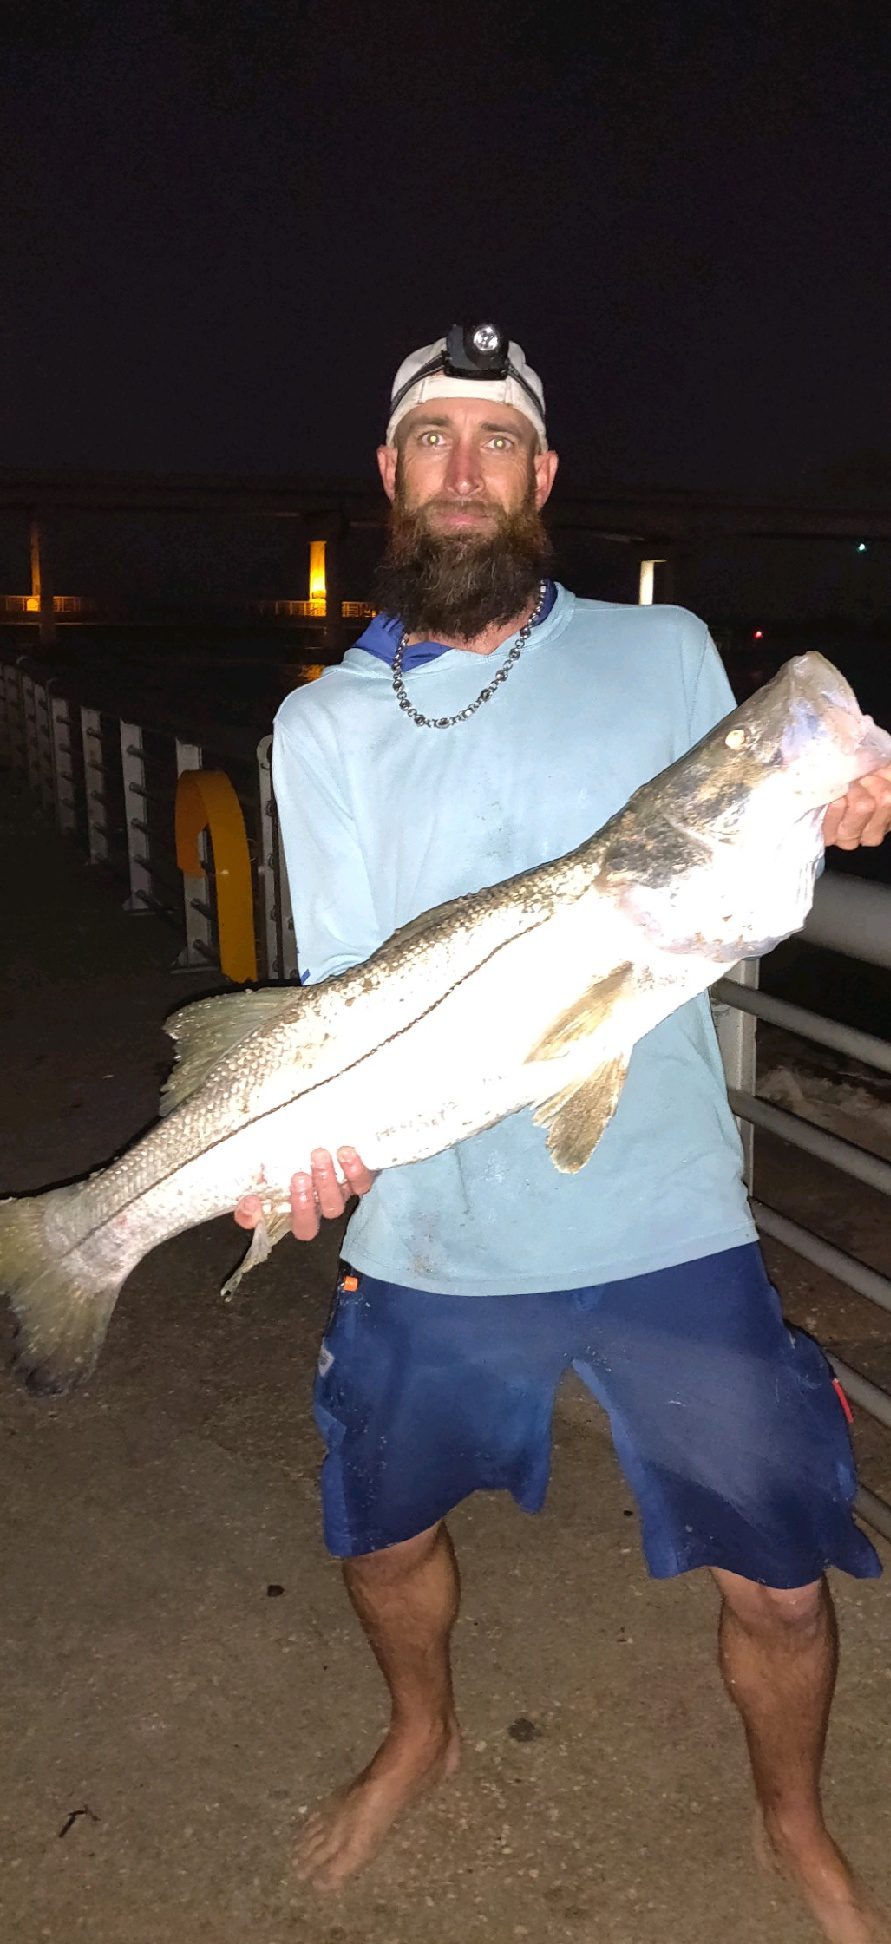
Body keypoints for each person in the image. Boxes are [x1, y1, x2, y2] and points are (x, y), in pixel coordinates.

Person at [236, 326, 891, 1941]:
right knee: (380, 1534)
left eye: (498, 442)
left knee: (785, 1580)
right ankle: (419, 1730)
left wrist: (834, 792)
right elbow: (342, 996)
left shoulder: (664, 649)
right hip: (429, 1229)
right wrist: (312, 1145)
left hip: (670, 1215)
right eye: (434, 441)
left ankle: (795, 1821)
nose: (465, 471)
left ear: (542, 479)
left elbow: (732, 853)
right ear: (391, 479)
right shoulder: (320, 727)